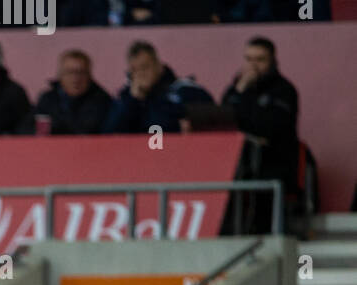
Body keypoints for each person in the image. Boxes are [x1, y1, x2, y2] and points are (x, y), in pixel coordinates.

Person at [220, 37, 299, 229]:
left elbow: (269, 127)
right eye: (249, 59)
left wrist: (244, 101)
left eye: (259, 59)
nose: (253, 65)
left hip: (273, 161)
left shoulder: (284, 91)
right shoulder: (236, 89)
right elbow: (223, 120)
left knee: (265, 187)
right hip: (237, 161)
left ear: (272, 61)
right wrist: (239, 91)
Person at [103, 40, 214, 135]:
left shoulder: (185, 90)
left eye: (145, 67)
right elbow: (109, 133)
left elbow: (212, 118)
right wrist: (133, 101)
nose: (141, 74)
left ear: (159, 66)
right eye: (134, 70)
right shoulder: (124, 97)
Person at [33, 49, 112, 135]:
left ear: (89, 75)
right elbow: (28, 128)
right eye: (70, 72)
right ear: (60, 75)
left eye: (81, 72)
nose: (76, 78)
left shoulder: (102, 101)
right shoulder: (47, 99)